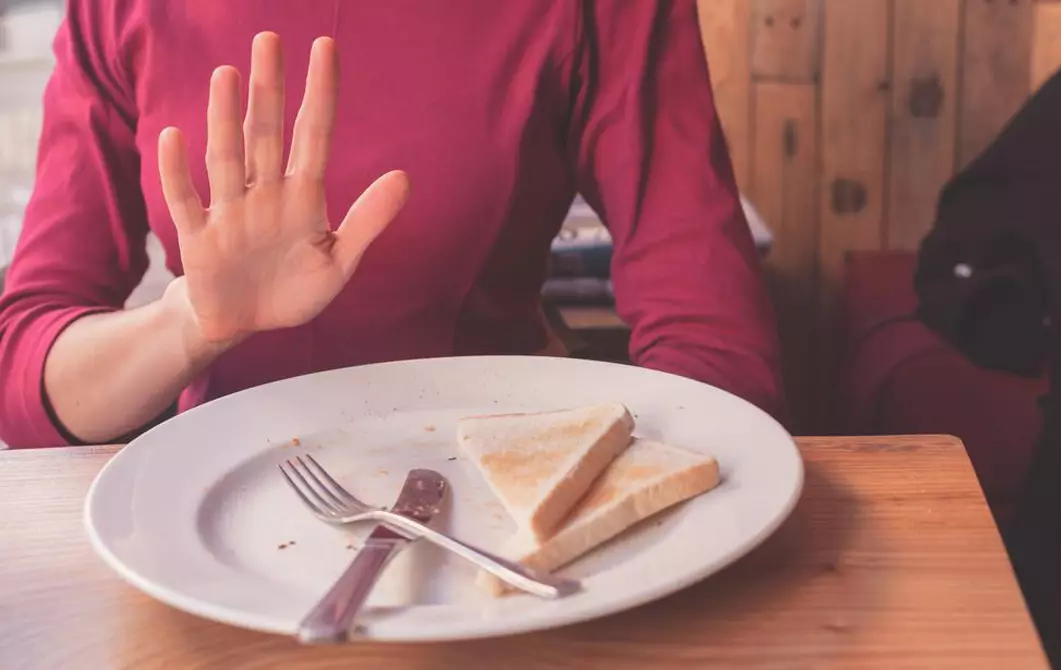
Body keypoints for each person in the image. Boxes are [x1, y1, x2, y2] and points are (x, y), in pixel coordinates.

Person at [0, 1, 782, 448]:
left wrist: (563, 494)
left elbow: (720, 355)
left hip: (508, 515)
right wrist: (190, 327)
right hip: (209, 520)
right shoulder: (117, 11)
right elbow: (23, 374)